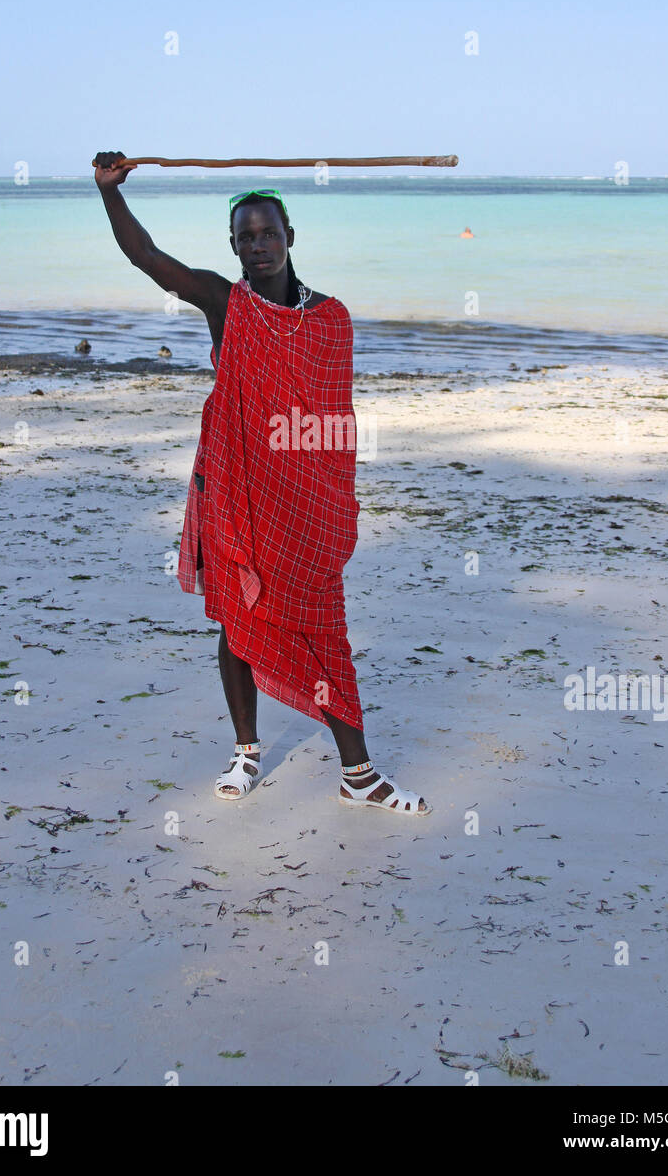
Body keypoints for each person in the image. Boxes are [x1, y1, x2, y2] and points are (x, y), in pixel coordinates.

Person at [94, 152, 430, 816]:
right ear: (234, 246)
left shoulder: (329, 320)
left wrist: (329, 497)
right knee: (237, 613)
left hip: (304, 502)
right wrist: (108, 194)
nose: (257, 245)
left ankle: (357, 773)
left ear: (289, 237)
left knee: (323, 626)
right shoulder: (225, 302)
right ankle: (247, 751)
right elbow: (147, 257)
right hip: (237, 492)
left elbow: (334, 422)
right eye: (245, 236)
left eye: (267, 232)